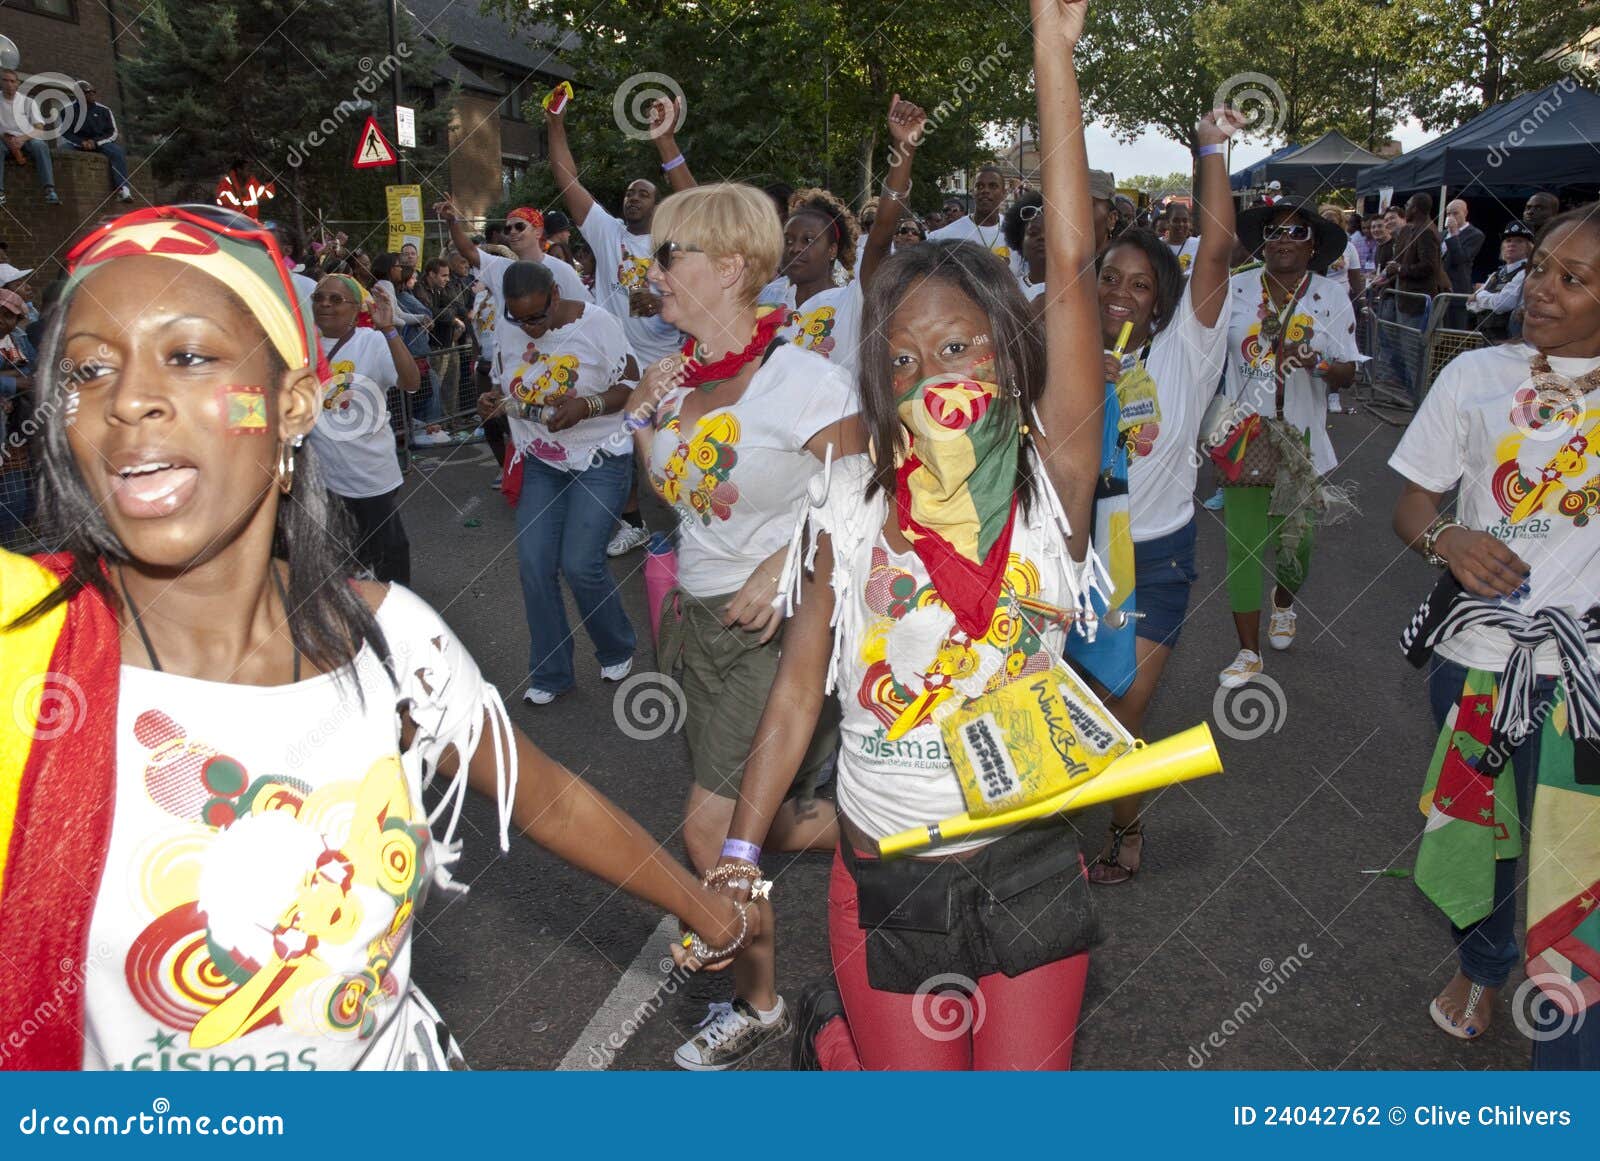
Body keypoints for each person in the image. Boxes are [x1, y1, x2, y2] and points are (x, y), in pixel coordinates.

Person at [0, 203, 761, 1071]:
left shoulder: (390, 638)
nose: (128, 399)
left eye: (188, 356)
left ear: (293, 404)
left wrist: (711, 912)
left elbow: (542, 794)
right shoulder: (25, 659)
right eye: (88, 370)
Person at [713, 0, 1107, 1071]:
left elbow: (1071, 262)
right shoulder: (850, 504)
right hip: (885, 873)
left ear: (1009, 358)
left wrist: (1049, 58)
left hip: (1028, 859)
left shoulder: (1054, 485)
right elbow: (800, 691)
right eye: (902, 361)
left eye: (959, 347)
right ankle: (840, 1049)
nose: (933, 377)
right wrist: (740, 850)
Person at [623, 181, 865, 1070]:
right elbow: (676, 493)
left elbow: (862, 494)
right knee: (762, 821)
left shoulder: (806, 378)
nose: (654, 274)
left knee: (709, 834)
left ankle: (756, 1004)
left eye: (668, 255)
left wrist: (781, 563)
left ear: (731, 266)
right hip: (691, 625)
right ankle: (874, 811)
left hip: (782, 632)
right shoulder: (681, 371)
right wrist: (642, 414)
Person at [1388, 203, 1600, 1068]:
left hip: (1585, 685)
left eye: (1571, 279)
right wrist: (1449, 540)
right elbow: (1412, 503)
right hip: (1475, 668)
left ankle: (1569, 1055)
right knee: (1480, 845)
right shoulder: (1475, 375)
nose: (1540, 289)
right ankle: (1482, 962)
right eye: (1541, 266)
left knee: (1576, 874)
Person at [1087, 106, 1240, 885]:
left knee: (1123, 707)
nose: (1120, 293)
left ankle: (1126, 829)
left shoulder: (1190, 348)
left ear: (1161, 299)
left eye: (1140, 285)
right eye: (1109, 277)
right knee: (1065, 708)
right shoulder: (1066, 349)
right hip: (1071, 557)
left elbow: (1217, 245)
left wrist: (1210, 143)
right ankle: (1041, 830)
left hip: (1154, 558)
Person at [473, 261, 641, 705]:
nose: (528, 326)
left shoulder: (596, 324)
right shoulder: (509, 331)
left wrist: (587, 405)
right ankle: (551, 671)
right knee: (534, 566)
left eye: (536, 315)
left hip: (600, 457)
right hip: (543, 463)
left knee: (581, 564)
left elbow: (632, 383)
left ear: (554, 293)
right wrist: (494, 402)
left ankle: (617, 645)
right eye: (518, 317)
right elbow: (506, 387)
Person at [1216, 200, 1359, 688]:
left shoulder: (1330, 296)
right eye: (1275, 231)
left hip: (1303, 441)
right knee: (1242, 548)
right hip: (1245, 437)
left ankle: (1284, 603)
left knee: (1298, 547)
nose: (1284, 239)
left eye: (1297, 232)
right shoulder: (1234, 289)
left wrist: (1315, 362)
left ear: (1313, 244)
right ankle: (1247, 652)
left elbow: (1347, 374)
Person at [545, 98, 689, 558]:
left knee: (668, 450)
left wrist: (666, 298)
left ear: (658, 204)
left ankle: (686, 522)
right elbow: (566, 178)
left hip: (666, 364)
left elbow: (702, 296)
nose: (632, 198)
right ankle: (634, 523)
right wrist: (556, 124)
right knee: (619, 450)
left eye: (642, 192)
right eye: (628, 192)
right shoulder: (607, 233)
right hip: (617, 366)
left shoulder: (674, 241)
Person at [308, 272, 419, 584]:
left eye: (335, 299)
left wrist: (389, 332)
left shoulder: (371, 342)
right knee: (335, 559)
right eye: (319, 297)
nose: (325, 305)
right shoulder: (301, 345)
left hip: (369, 475)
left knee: (388, 556)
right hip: (321, 476)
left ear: (356, 308)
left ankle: (396, 620)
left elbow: (411, 383)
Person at [928, 165, 1020, 272]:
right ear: (972, 192)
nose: (985, 190)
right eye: (979, 186)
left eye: (993, 186)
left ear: (1004, 193)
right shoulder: (943, 237)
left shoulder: (1017, 233)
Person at [60, 80, 131, 202]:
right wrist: (80, 142)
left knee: (117, 152)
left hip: (101, 143)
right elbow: (66, 133)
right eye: (88, 92)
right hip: (78, 143)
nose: (92, 94)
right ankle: (63, 191)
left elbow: (112, 132)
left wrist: (95, 142)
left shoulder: (104, 110)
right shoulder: (67, 111)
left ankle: (123, 189)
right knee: (62, 152)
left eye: (93, 91)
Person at [1466, 220, 1534, 342]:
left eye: (1519, 241)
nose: (1512, 244)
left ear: (1529, 247)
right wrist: (1489, 300)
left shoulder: (1525, 272)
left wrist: (1479, 297)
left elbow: (1503, 304)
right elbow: (1470, 305)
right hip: (1485, 335)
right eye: (1508, 240)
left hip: (1507, 338)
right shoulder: (1496, 274)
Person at [0, 69, 59, 206]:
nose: (9, 84)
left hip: (27, 138)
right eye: (5, 80)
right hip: (3, 139)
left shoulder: (28, 102)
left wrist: (21, 139)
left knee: (40, 146)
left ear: (17, 84)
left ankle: (49, 190)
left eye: (12, 81)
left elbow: (39, 128)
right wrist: (7, 139)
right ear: (1, 82)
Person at [1442, 199, 1485, 328]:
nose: (1451, 217)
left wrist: (1454, 234)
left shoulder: (1475, 234)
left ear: (1465, 213)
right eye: (1448, 214)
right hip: (1440, 290)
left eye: (1455, 213)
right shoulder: (1443, 234)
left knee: (1453, 331)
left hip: (1457, 290)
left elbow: (1460, 259)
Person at [1003, 189, 1045, 299]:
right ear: (1020, 241)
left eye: (1050, 233)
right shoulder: (1008, 292)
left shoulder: (1077, 288)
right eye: (1033, 233)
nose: (1042, 237)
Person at [1165, 201, 1199, 273]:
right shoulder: (1156, 246)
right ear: (1168, 223)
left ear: (1189, 223)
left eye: (1185, 220)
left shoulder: (1199, 245)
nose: (1181, 224)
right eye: (1176, 220)